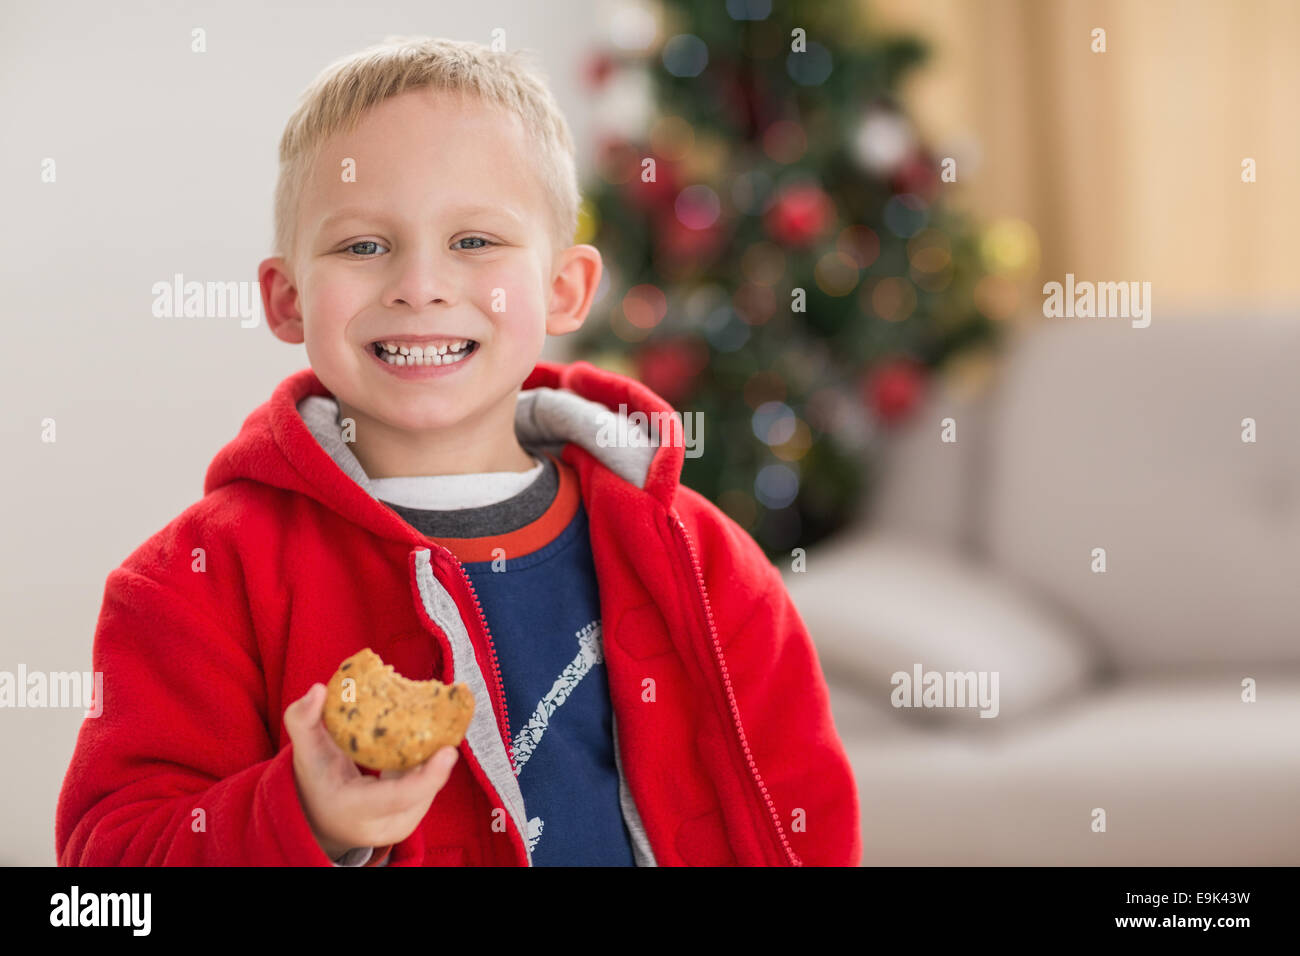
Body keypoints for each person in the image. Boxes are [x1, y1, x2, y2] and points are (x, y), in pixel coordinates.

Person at [55, 35, 861, 866]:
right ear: (288, 299)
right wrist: (302, 818)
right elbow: (109, 870)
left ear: (564, 288)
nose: (420, 284)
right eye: (364, 246)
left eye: (475, 241)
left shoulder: (702, 560)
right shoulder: (194, 583)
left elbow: (802, 821)